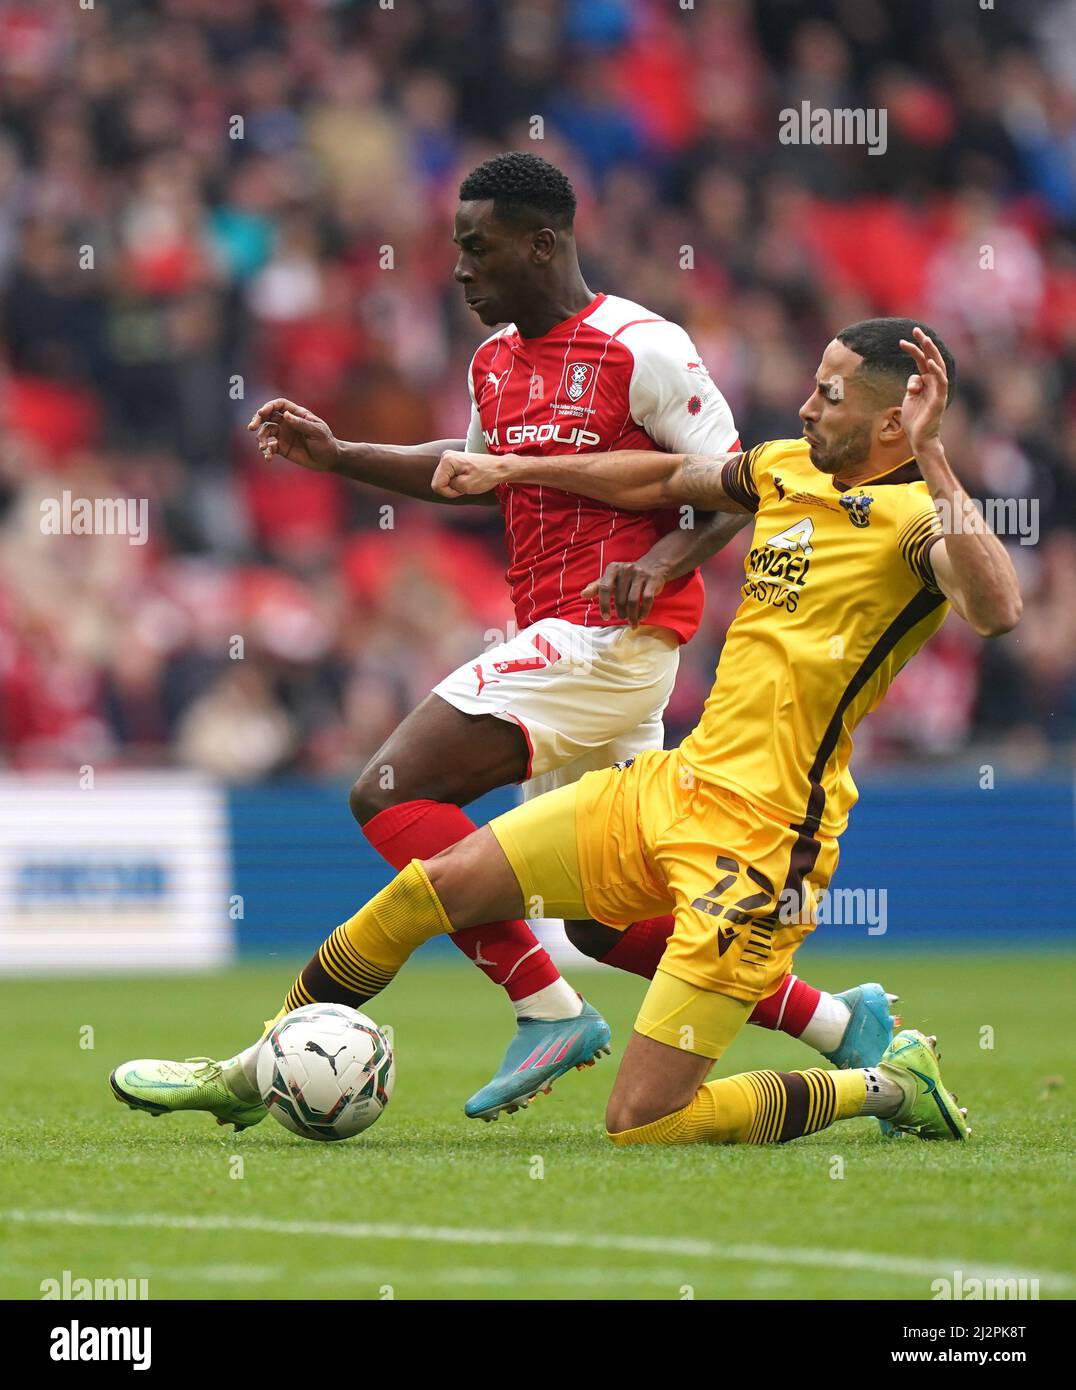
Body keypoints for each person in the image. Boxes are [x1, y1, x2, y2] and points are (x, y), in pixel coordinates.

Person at [110, 165, 897, 1131]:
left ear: (542, 243)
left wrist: (660, 560)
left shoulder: (644, 346)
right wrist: (340, 454)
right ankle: (838, 1028)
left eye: (476, 247)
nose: (458, 270)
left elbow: (735, 488)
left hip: (610, 639)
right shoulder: (493, 361)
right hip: (560, 645)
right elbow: (469, 475)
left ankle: (541, 1009)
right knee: (603, 919)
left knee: (392, 789)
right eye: (455, 249)